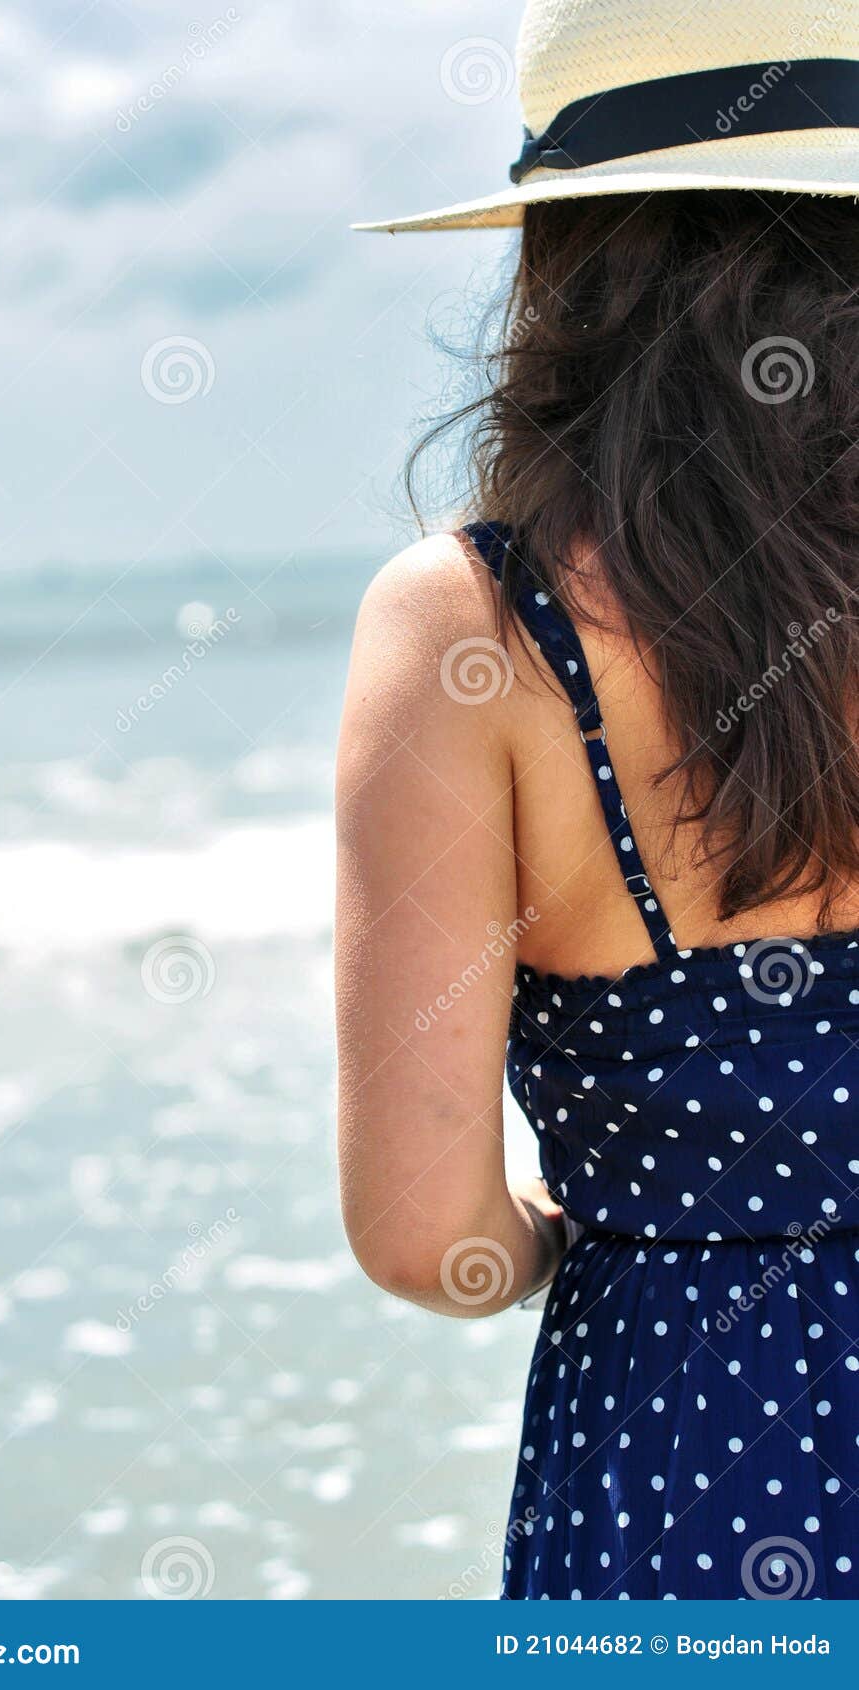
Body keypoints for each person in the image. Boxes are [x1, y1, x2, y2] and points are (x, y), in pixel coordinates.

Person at [336, 0, 859, 1600]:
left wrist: (604, 1233)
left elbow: (430, 1234)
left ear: (570, 257)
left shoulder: (477, 628)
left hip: (700, 1450)